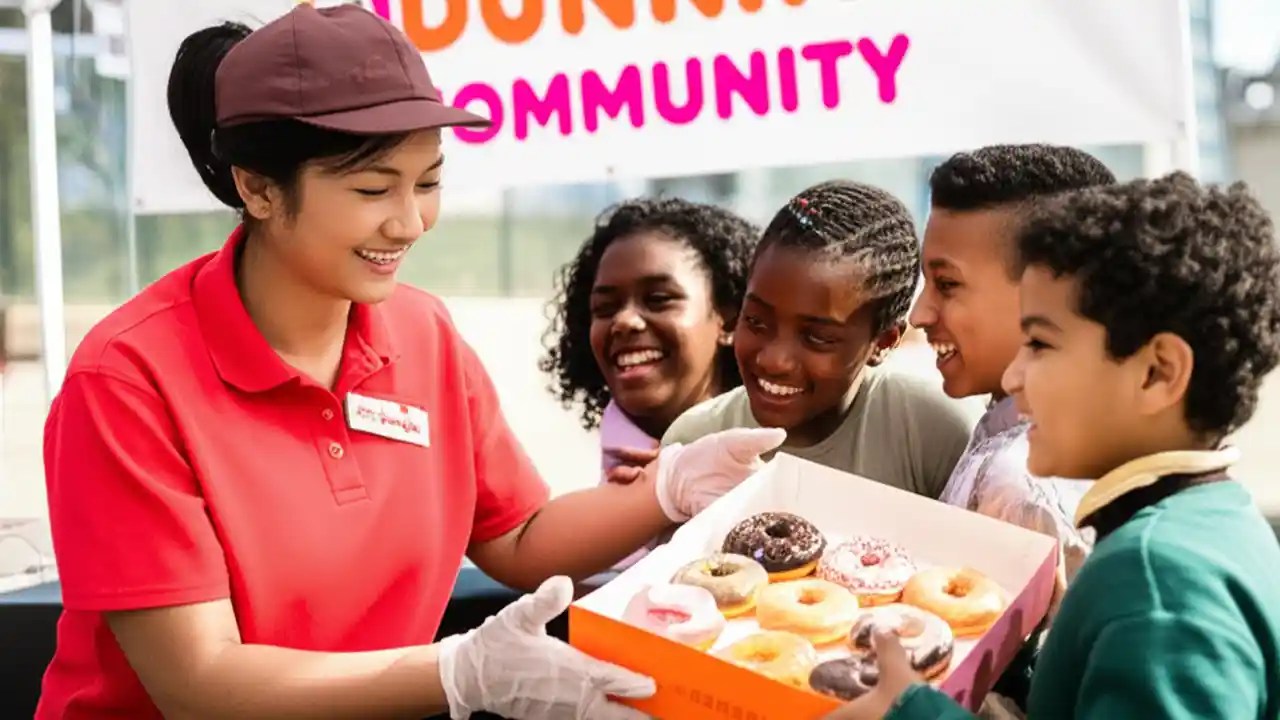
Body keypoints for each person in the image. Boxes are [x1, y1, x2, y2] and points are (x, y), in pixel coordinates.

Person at [35, 6, 784, 719]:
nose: (410, 221)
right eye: (372, 188)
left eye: (428, 182)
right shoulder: (128, 382)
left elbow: (519, 536)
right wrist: (458, 671)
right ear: (258, 188)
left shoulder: (422, 331)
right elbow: (200, 687)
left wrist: (670, 488)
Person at [827, 172, 1280, 720]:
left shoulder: (1157, 580)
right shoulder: (1208, 524)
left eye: (1040, 343)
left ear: (1158, 372)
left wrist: (910, 711)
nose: (1015, 377)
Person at [661, 180, 975, 497]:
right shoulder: (695, 442)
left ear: (883, 342)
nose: (774, 360)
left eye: (817, 338)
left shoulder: (931, 433)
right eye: (756, 321)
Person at [911, 144, 1115, 599]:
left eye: (946, 284)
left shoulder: (1021, 480)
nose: (919, 314)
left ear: (1044, 293)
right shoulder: (1007, 432)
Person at [541, 197, 758, 478]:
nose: (624, 321)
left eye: (658, 299)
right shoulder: (602, 502)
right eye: (604, 308)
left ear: (730, 321)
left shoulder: (789, 464)